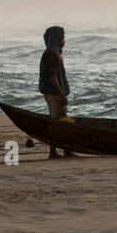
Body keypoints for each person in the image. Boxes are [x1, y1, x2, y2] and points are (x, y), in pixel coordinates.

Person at [38, 25, 76, 158]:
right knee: (61, 122)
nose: (64, 40)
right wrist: (61, 94)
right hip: (53, 93)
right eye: (62, 37)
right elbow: (52, 77)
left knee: (56, 120)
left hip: (53, 92)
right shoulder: (51, 53)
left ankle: (57, 151)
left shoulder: (54, 51)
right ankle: (64, 151)